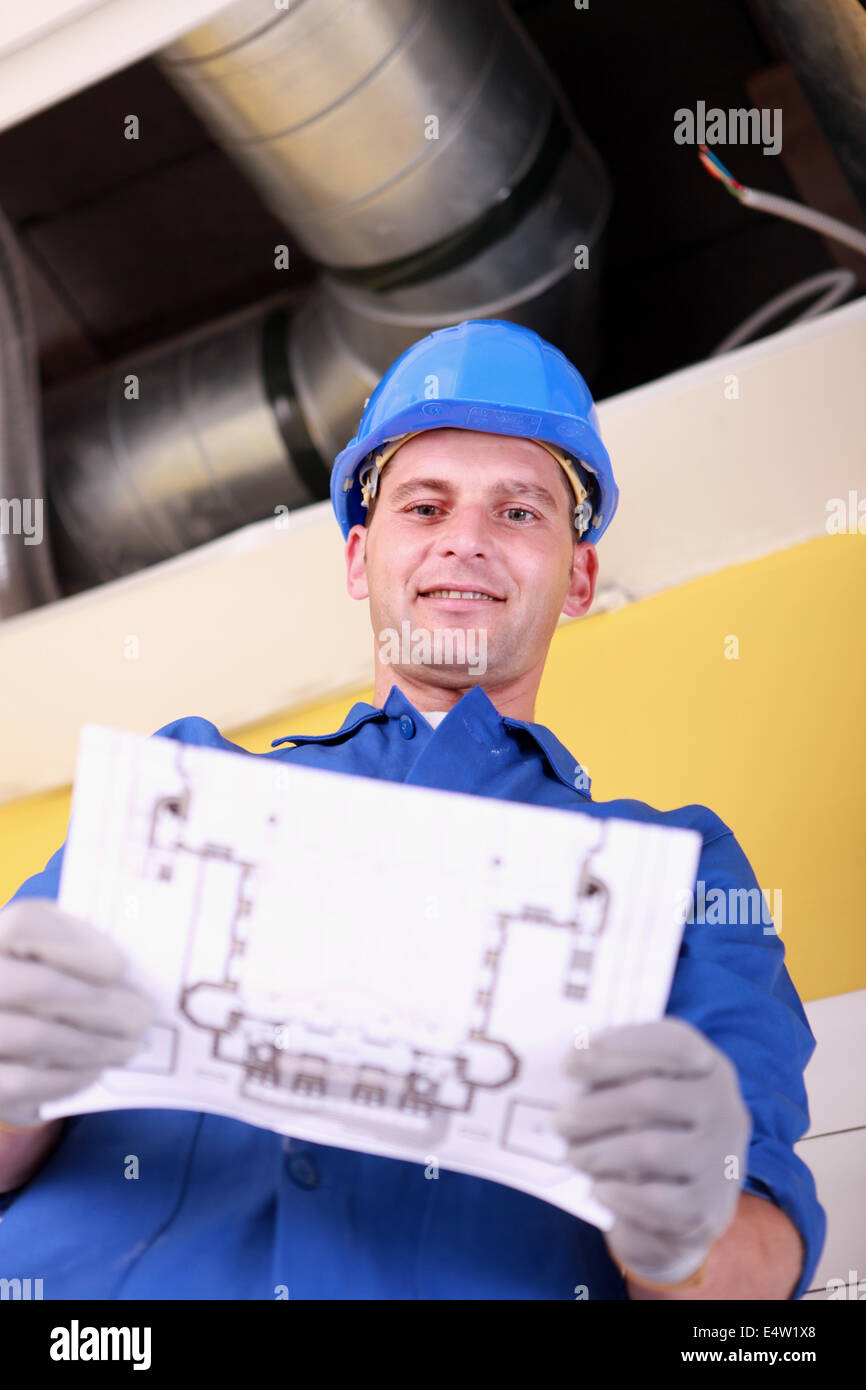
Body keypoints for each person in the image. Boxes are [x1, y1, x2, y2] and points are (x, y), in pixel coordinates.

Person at [0, 319, 824, 1300]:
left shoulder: (679, 872)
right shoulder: (176, 795)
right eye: (424, 506)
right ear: (358, 559)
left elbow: (748, 1286)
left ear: (579, 577)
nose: (465, 540)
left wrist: (685, 1217)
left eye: (518, 513)